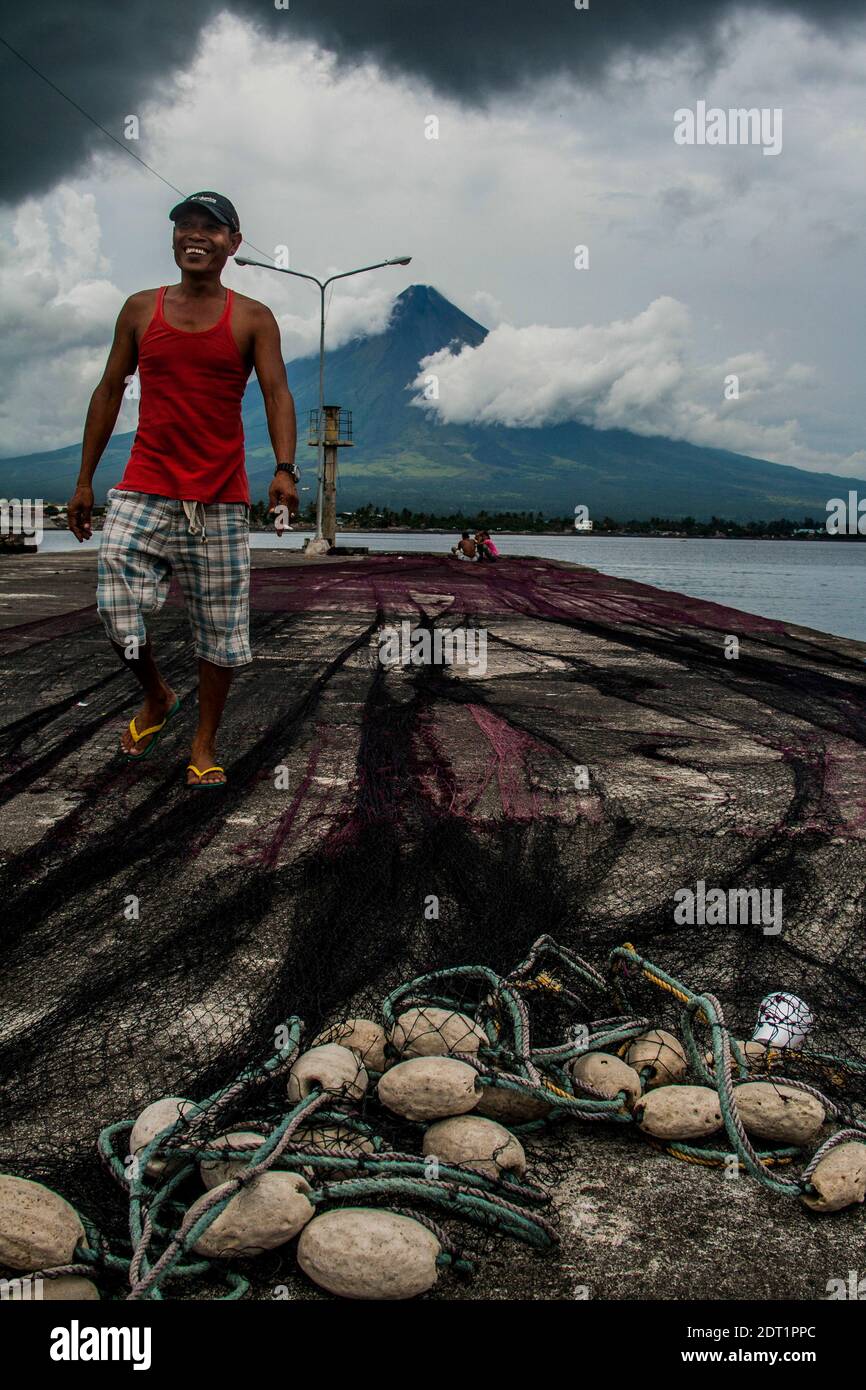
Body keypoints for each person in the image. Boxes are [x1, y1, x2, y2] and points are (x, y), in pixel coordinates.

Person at [66, 190, 298, 786]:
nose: (196, 236)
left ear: (233, 245)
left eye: (211, 229)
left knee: (220, 630)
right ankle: (158, 696)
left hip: (219, 499)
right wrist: (85, 479)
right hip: (143, 487)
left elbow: (276, 393)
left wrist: (285, 469)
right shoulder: (141, 309)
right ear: (174, 239)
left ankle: (203, 744)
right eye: (186, 227)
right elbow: (109, 389)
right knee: (116, 604)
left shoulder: (252, 317)